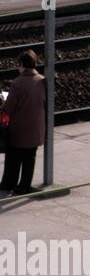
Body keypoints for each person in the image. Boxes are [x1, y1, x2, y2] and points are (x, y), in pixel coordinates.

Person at [2, 50, 45, 195]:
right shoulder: (42, 80)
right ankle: (24, 185)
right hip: (35, 129)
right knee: (29, 158)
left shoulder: (17, 83)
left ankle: (8, 183)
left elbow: (9, 107)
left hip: (19, 129)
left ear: (21, 65)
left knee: (13, 157)